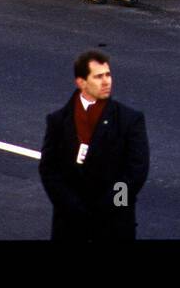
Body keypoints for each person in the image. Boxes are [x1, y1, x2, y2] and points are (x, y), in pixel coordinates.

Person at [38, 50, 149, 242]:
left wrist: (109, 205)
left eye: (108, 75)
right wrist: (71, 206)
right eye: (98, 77)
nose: (106, 81)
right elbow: (49, 169)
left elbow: (136, 171)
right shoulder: (58, 121)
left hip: (114, 224)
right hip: (70, 225)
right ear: (81, 82)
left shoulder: (130, 120)